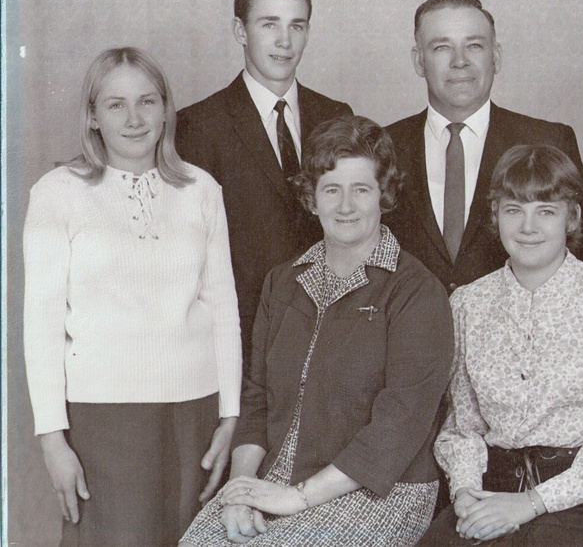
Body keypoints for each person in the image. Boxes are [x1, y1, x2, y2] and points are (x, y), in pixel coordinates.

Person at [179, 115, 454, 547]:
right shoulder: (282, 281)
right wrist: (241, 490)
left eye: (361, 189)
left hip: (381, 490)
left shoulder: (416, 292)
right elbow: (257, 399)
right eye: (331, 190)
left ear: (384, 195)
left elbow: (399, 426)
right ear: (311, 199)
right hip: (275, 479)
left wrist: (298, 498)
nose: (345, 206)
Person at [23, 47, 242, 546]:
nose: (135, 118)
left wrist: (229, 416)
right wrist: (53, 440)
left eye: (147, 101)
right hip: (103, 418)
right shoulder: (57, 192)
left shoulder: (202, 190)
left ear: (167, 108)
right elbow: (40, 325)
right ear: (93, 116)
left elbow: (224, 309)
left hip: (194, 413)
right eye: (116, 104)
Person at [418, 144, 583, 546]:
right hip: (490, 490)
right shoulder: (467, 304)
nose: (527, 227)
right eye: (514, 210)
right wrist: (465, 494)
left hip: (582, 499)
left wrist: (531, 503)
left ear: (572, 217)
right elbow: (462, 427)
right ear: (495, 217)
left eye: (545, 211)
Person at [176, 0, 353, 371]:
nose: (284, 41)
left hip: (331, 332)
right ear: (240, 30)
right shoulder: (197, 126)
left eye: (297, 25)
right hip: (242, 336)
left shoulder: (336, 116)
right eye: (269, 24)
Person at [385, 0, 583, 296]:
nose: (460, 61)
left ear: (497, 56)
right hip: (410, 335)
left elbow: (579, 257)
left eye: (474, 46)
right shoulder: (383, 147)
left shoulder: (548, 141)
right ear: (418, 61)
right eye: (442, 47)